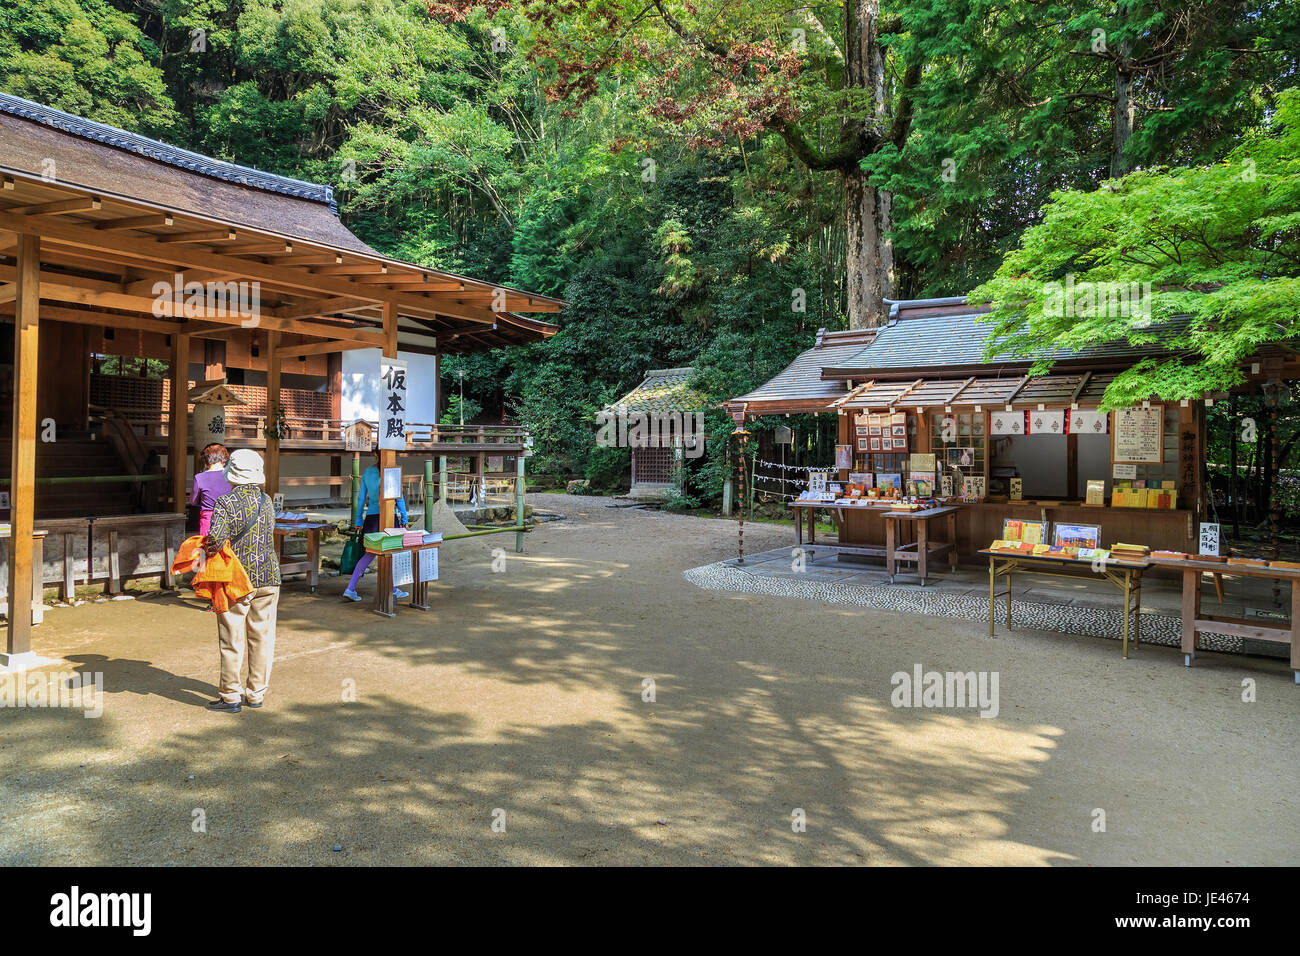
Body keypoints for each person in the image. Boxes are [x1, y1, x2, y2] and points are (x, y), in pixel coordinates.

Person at [203, 449, 281, 714]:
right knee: (262, 638)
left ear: (232, 473)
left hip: (237, 578)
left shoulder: (225, 502)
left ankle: (230, 696)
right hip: (269, 576)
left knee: (231, 638)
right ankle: (256, 694)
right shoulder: (267, 500)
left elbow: (215, 539)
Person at [343, 451, 409, 602]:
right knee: (392, 552)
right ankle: (392, 589)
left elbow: (361, 499)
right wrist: (404, 518)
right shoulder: (393, 473)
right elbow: (399, 499)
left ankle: (350, 587)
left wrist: (358, 520)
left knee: (369, 553)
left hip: (372, 518)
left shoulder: (367, 473)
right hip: (390, 518)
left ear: (376, 455)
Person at [189, 443, 233, 537]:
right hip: (230, 518)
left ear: (206, 459)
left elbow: (193, 501)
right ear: (224, 458)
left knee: (209, 548)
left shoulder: (199, 478)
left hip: (208, 520)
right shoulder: (232, 477)